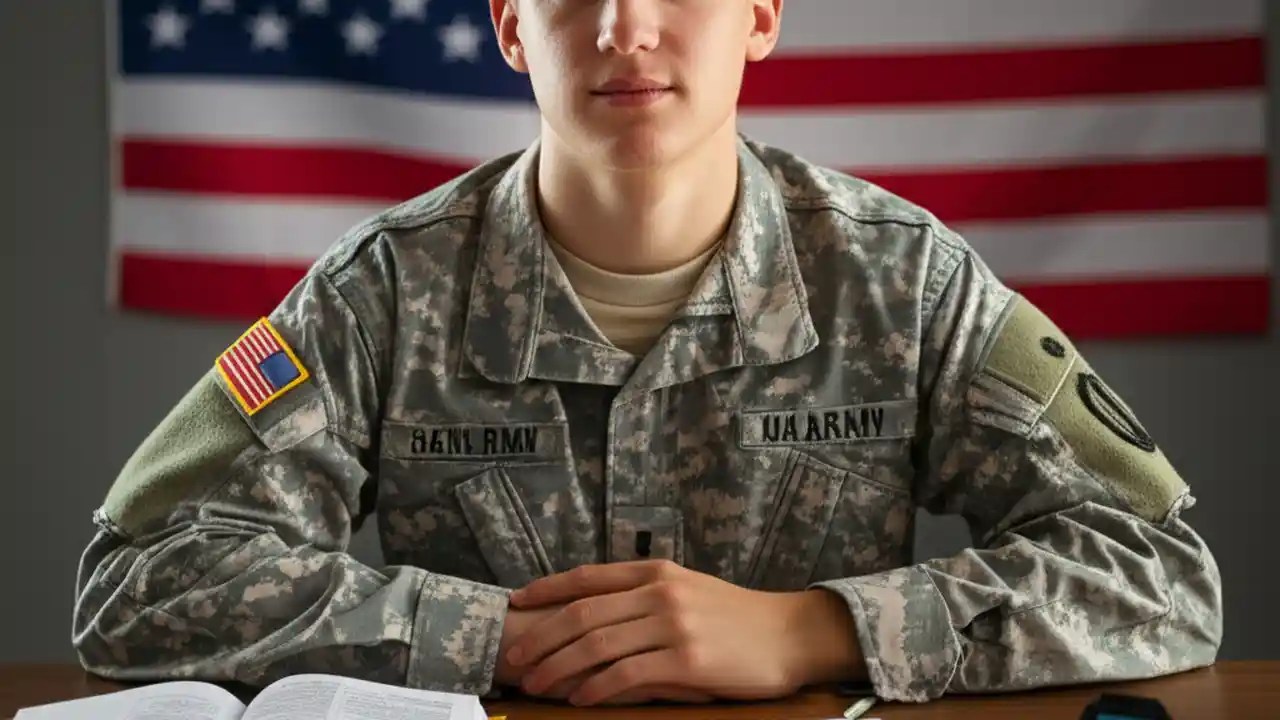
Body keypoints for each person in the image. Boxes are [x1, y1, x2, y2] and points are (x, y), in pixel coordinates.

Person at [72, 0, 1222, 707]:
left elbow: (1158, 573)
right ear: (511, 22)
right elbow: (137, 578)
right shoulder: (382, 291)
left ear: (762, 14)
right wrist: (495, 640)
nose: (625, 25)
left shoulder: (901, 284)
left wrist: (807, 631)